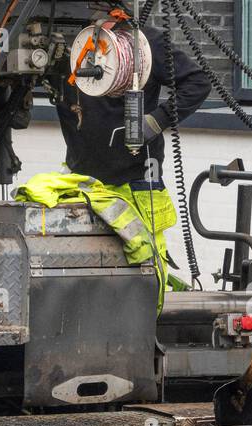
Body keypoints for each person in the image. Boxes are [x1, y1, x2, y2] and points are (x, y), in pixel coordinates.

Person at [23, 17, 210, 299]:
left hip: (135, 184)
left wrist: (157, 121)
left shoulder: (145, 43)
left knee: (144, 272)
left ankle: (144, 330)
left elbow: (197, 82)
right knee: (88, 276)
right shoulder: (66, 44)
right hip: (84, 182)